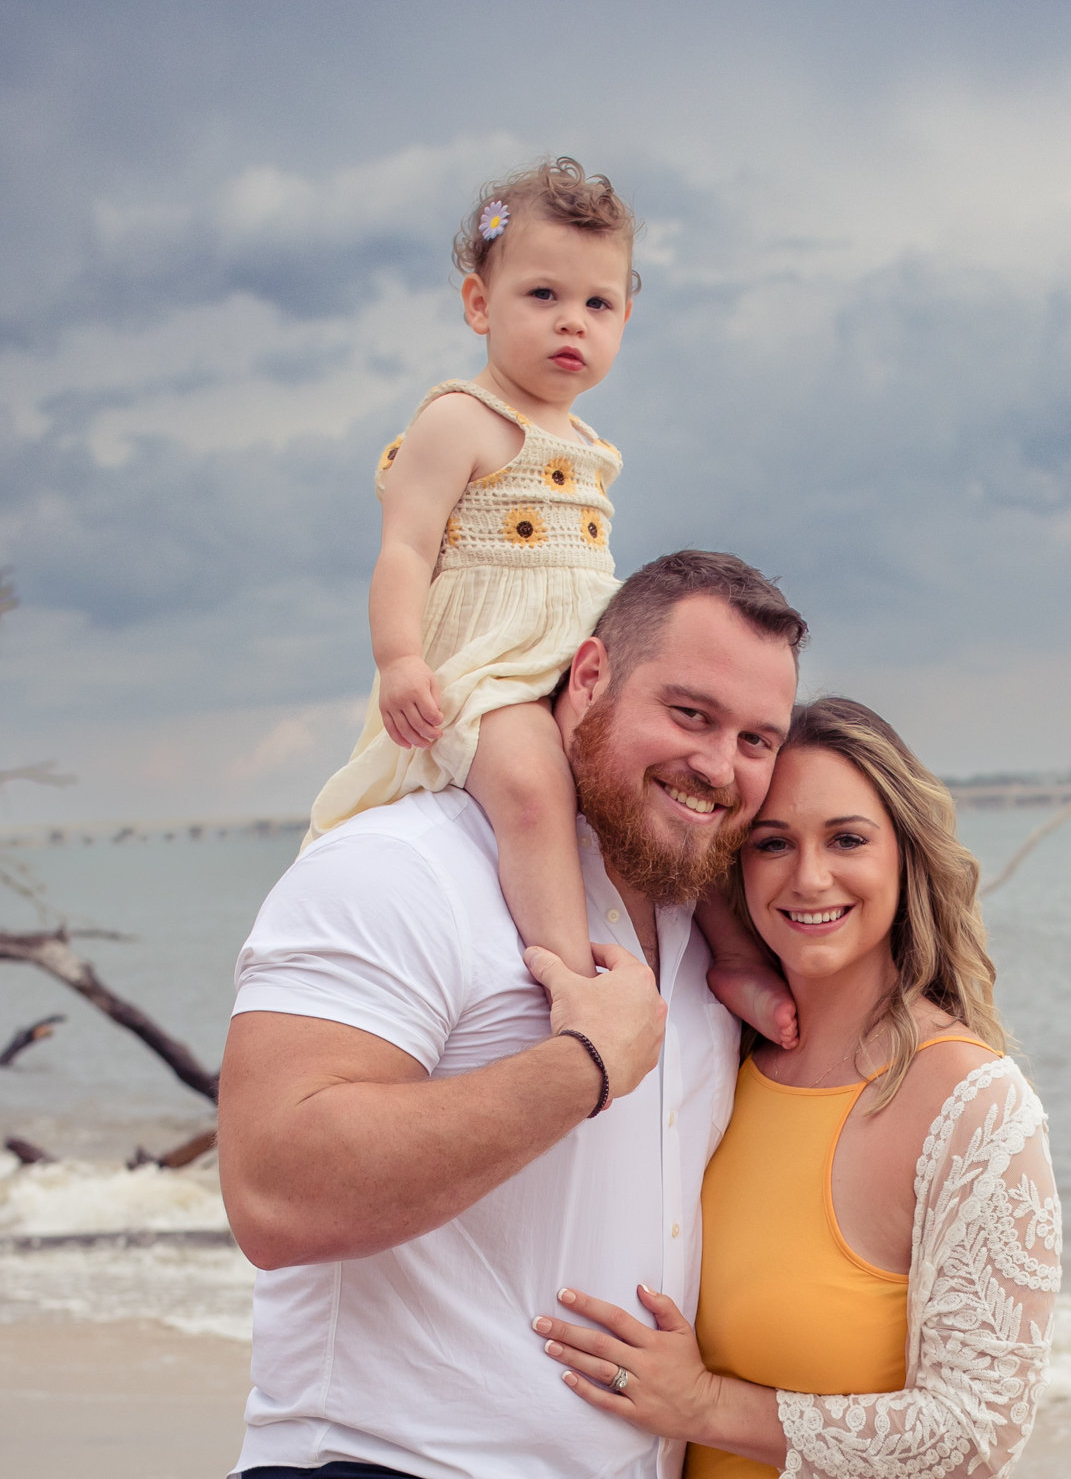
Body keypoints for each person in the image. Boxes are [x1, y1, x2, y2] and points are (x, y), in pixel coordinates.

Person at [220, 552, 806, 1479]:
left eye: (754, 738)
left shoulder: (696, 934)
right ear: (584, 677)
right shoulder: (400, 869)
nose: (717, 763)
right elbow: (272, 1185)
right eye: (688, 711)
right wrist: (580, 1062)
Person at [534, 696, 1062, 1479]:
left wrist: (704, 1406)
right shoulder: (712, 1065)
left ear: (906, 854)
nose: (809, 875)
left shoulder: (970, 1102)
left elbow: (979, 1433)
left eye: (847, 838)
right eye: (772, 842)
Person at [304, 155, 797, 1049]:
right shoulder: (460, 418)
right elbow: (405, 547)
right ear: (479, 305)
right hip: (493, 666)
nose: (572, 322)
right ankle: (574, 982)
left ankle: (732, 956)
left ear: (625, 321)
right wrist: (399, 660)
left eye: (597, 305)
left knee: (692, 794)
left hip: (581, 661)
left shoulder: (592, 441)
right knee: (532, 790)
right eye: (541, 296)